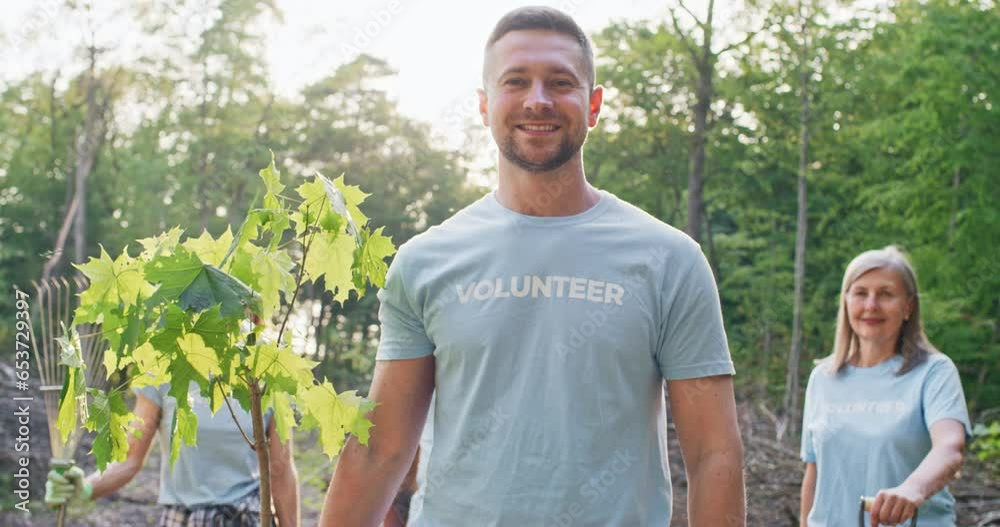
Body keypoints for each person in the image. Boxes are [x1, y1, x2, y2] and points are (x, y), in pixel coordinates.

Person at [320, 6, 745, 526]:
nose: (537, 100)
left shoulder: (669, 260)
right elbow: (379, 451)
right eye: (515, 81)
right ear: (484, 105)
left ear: (593, 105)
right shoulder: (426, 262)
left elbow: (713, 456)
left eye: (560, 82)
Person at [799, 246, 971, 526]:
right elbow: (814, 474)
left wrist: (911, 490)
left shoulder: (934, 373)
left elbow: (951, 447)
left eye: (886, 294)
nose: (871, 306)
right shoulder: (823, 378)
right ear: (845, 302)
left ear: (908, 306)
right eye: (860, 293)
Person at [45, 381, 300, 526]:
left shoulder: (266, 370)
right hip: (183, 519)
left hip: (244, 520)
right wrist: (85, 487)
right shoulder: (163, 364)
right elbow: (129, 461)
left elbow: (281, 470)